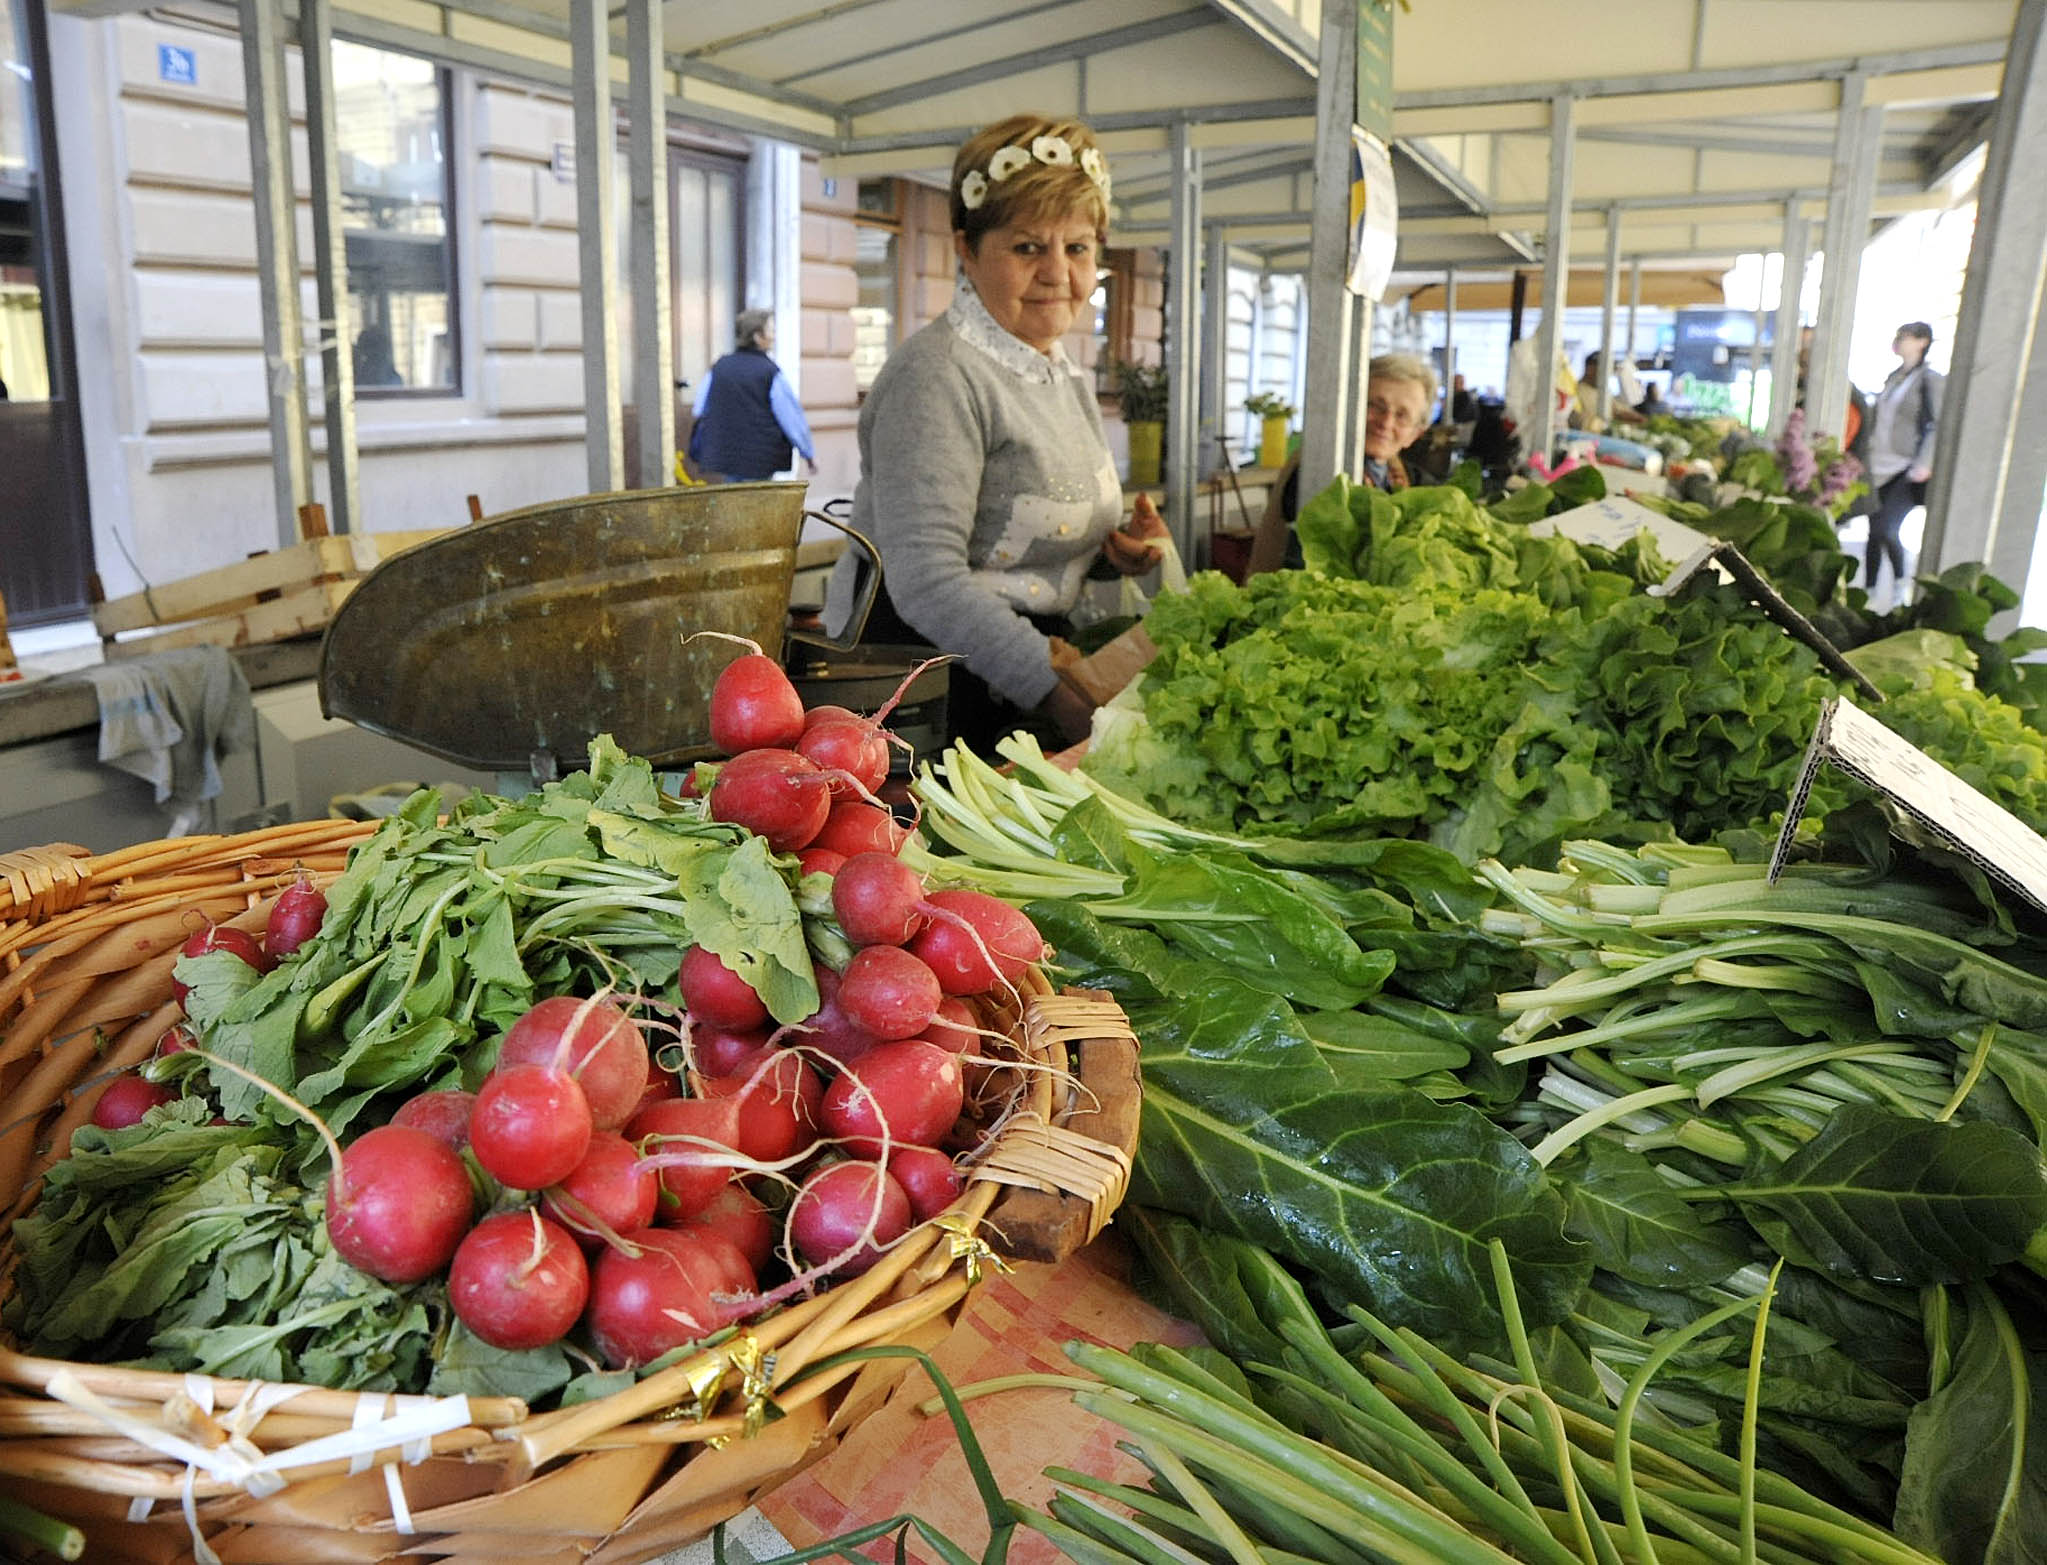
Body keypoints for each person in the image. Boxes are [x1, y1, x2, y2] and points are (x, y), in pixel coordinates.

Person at [820, 114, 1167, 749]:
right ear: (967, 249)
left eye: (1079, 248)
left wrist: (1113, 554)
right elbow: (926, 579)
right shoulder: (937, 377)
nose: (1058, 272)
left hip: (1018, 677)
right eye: (1028, 247)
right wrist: (1061, 696)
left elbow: (1020, 538)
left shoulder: (1057, 369)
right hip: (928, 695)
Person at [1246, 354, 1435, 576]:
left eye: (1402, 415)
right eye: (1375, 406)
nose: (1386, 422)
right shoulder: (1318, 466)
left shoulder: (1410, 480)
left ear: (1415, 434)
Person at [1862, 321, 1944, 597]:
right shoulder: (1893, 377)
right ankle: (1869, 590)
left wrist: (1925, 462)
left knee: (1887, 528)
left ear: (1922, 342)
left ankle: (1900, 583)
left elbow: (1937, 424)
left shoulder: (1929, 380)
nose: (1899, 341)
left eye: (1905, 337)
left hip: (1905, 467)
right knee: (1873, 531)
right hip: (1878, 463)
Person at [688, 309, 819, 482]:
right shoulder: (770, 372)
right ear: (757, 336)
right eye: (771, 330)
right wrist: (807, 453)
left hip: (726, 455)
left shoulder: (720, 367)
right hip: (761, 459)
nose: (774, 336)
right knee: (758, 505)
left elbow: (699, 408)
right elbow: (791, 418)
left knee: (731, 503)